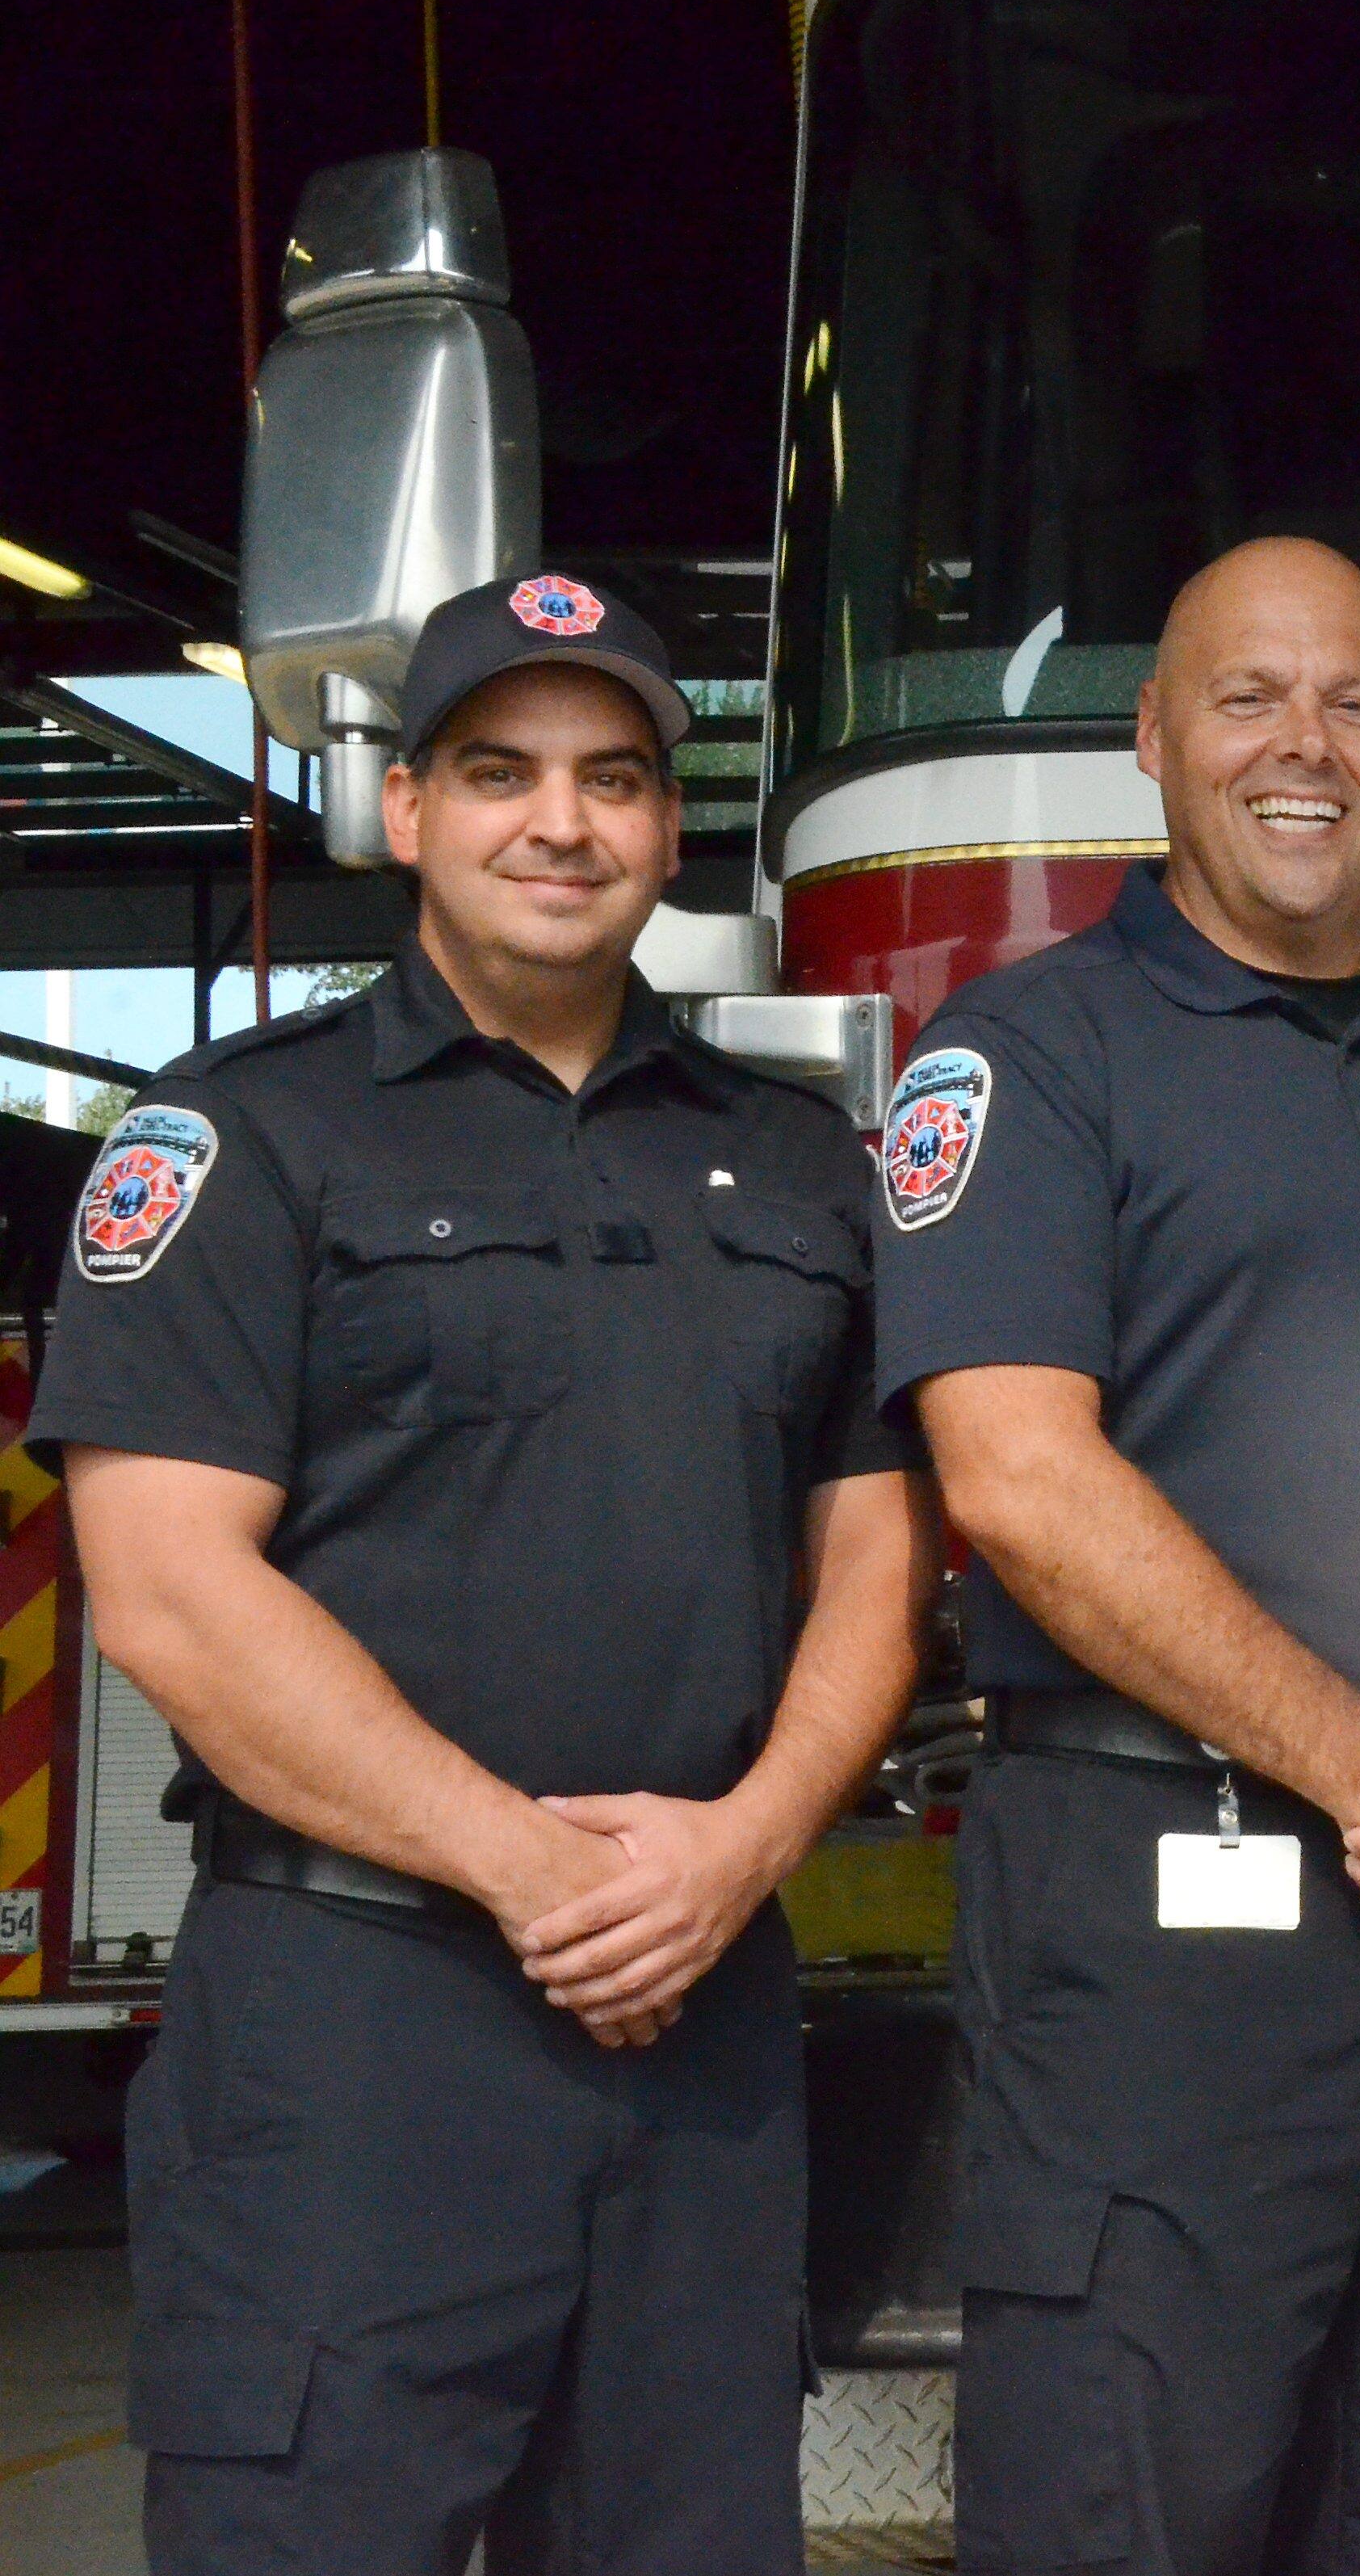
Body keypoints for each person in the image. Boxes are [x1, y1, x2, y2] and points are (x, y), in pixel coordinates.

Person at [34, 571, 935, 2572]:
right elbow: (171, 1589)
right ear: (408, 809)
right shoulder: (246, 1138)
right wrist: (530, 1868)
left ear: (668, 827)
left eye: (614, 778)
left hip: (699, 2012)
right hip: (355, 2023)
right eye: (502, 771)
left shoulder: (800, 1161)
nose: (562, 821)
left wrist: (745, 1846)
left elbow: (877, 1556)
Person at [875, 536, 1360, 2576]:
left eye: (1351, 703)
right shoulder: (1027, 1059)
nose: (1302, 746)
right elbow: (1019, 1480)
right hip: (1159, 1930)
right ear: (1154, 739)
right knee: (1123, 2511)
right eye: (1248, 698)